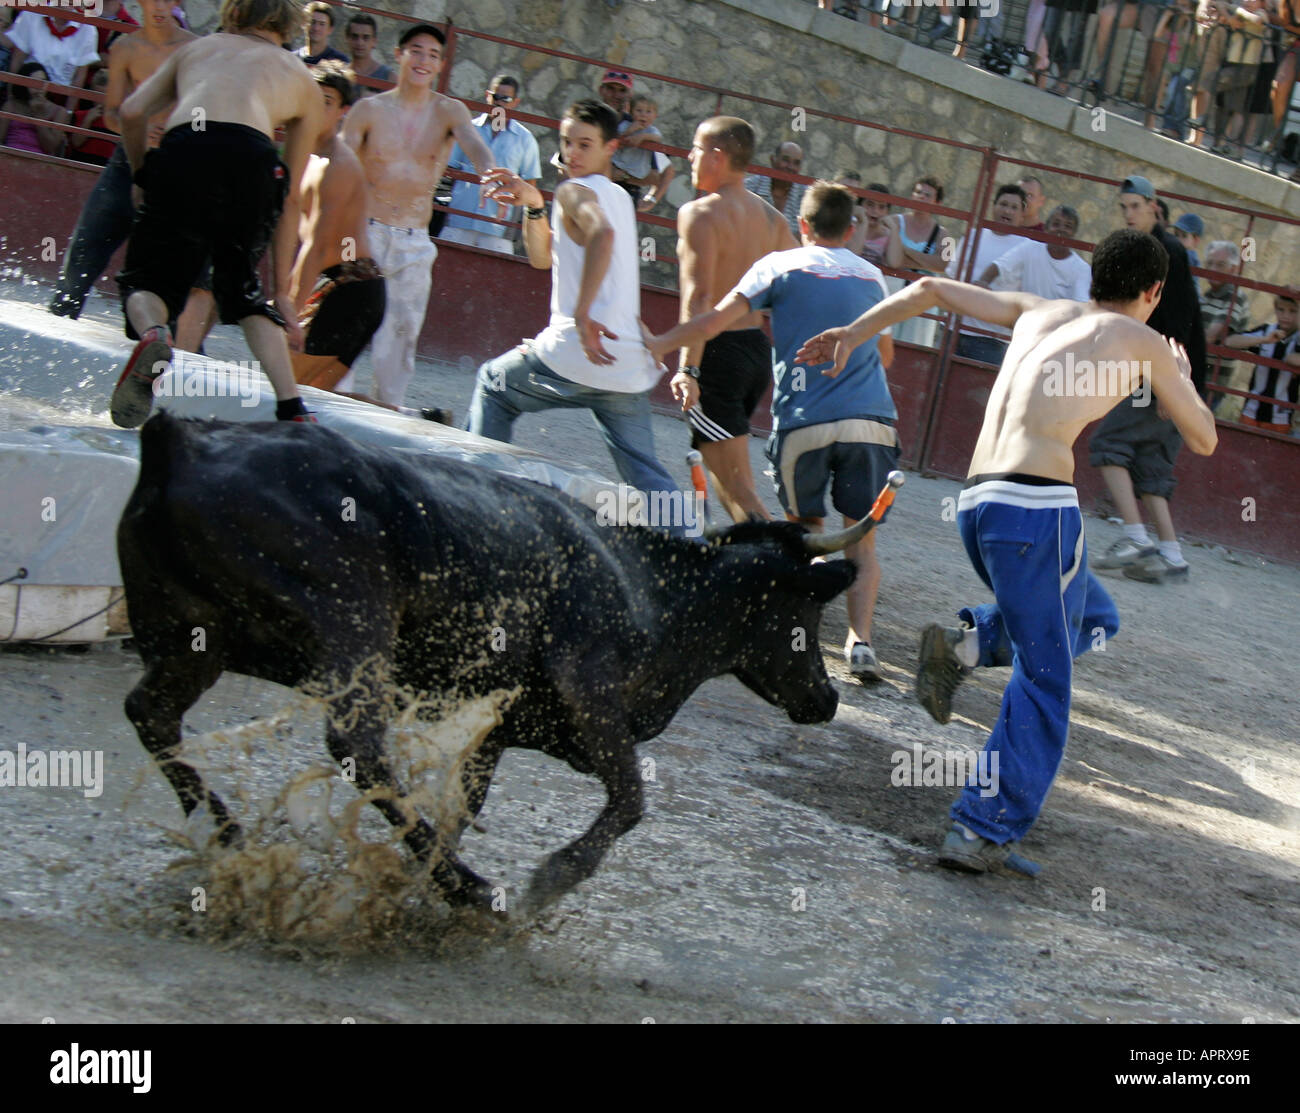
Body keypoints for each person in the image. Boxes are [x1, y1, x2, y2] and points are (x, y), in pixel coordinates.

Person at [794, 228, 1217, 874]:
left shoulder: (1039, 310)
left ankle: (964, 647)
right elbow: (1206, 438)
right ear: (1154, 291)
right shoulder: (1147, 340)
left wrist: (851, 334)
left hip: (977, 503)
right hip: (1035, 513)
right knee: (1046, 677)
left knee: (1096, 620)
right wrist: (1177, 373)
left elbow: (930, 287)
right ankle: (980, 826)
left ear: (1093, 275)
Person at [646, 181, 899, 682]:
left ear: (800, 226)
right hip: (870, 420)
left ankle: (797, 635)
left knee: (806, 534)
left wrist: (660, 343)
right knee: (862, 541)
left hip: (803, 422)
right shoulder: (873, 276)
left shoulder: (777, 266)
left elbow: (714, 319)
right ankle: (860, 642)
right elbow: (886, 355)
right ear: (853, 229)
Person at [108, 0, 324, 428]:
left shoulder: (199, 49)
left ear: (234, 13)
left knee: (144, 282)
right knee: (244, 295)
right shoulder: (303, 79)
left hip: (187, 145)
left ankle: (154, 334)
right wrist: (283, 289)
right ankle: (292, 408)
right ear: (287, 25)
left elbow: (131, 112)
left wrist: (140, 173)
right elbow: (291, 199)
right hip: (254, 160)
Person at [465, 99, 681, 523]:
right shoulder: (617, 195)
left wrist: (582, 315)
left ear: (611, 148)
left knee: (492, 383)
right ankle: (694, 549)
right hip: (623, 363)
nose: (573, 153)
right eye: (567, 142)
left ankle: (480, 506)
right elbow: (542, 258)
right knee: (648, 474)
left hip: (574, 350)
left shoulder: (571, 190)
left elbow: (599, 235)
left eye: (585, 144)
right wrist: (532, 204)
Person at [342, 23, 495, 406]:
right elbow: (339, 165)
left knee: (401, 338)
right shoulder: (368, 110)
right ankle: (326, 407)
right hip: (362, 231)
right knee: (342, 322)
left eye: (432, 55)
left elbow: (474, 144)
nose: (423, 60)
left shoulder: (449, 111)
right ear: (399, 54)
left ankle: (387, 417)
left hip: (413, 238)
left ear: (441, 65)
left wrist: (490, 175)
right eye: (416, 50)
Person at [667, 115, 797, 524]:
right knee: (723, 471)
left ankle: (794, 568)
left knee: (738, 485)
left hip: (717, 356)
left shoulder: (699, 214)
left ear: (717, 156)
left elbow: (699, 297)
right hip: (757, 350)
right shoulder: (773, 219)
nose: (689, 157)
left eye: (697, 148)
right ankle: (765, 558)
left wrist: (688, 367)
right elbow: (799, 280)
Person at [1089, 176, 1208, 584]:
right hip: (1172, 378)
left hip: (1162, 376)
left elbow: (1179, 321)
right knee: (1150, 464)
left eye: (1135, 206)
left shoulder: (1167, 251)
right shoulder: (1153, 250)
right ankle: (1172, 555)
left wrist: (1168, 383)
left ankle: (1136, 538)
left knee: (1107, 444)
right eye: (1124, 207)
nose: (1128, 214)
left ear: (1154, 206)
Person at [48, 0, 196, 322]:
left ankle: (176, 343)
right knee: (86, 244)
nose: (159, 7)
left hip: (176, 161)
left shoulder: (195, 49)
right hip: (129, 155)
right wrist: (140, 131)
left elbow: (206, 111)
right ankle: (61, 315)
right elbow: (112, 113)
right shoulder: (126, 48)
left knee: (170, 259)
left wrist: (175, 129)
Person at [437, 73, 540, 255]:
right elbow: (450, 171)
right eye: (496, 97)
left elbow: (530, 186)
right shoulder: (468, 129)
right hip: (460, 220)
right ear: (487, 95)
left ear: (515, 102)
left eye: (505, 99)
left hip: (497, 229)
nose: (499, 103)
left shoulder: (525, 140)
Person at [945, 183, 1031, 365]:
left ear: (1022, 215)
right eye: (1003, 204)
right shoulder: (973, 235)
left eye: (1014, 207)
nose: (1007, 210)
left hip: (992, 339)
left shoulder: (1026, 247)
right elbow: (952, 274)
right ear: (993, 206)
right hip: (954, 329)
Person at [975, 204, 1091, 302]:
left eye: (1068, 226)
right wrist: (983, 283)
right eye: (1056, 224)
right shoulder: (1030, 248)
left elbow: (1081, 305)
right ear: (1046, 228)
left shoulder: (1082, 270)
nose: (1061, 230)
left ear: (1074, 234)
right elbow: (999, 266)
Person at [1230, 289, 1299, 432]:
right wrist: (1264, 340)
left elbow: (1293, 359)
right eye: (1281, 310)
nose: (1286, 316)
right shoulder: (1267, 331)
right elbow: (1230, 341)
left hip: (1281, 417)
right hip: (1251, 410)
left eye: (1293, 311)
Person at [1199, 239, 1252, 417]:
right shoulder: (1207, 295)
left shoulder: (1235, 297)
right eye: (1210, 264)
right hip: (1194, 379)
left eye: (1220, 265)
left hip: (1209, 383)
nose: (1213, 269)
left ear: (1233, 269)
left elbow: (1210, 336)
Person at [5, 10, 99, 97]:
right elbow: (17, 61)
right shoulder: (31, 14)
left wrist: (68, 112)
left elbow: (79, 78)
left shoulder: (88, 28)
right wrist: (11, 96)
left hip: (60, 96)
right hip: (27, 91)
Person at [611, 93, 675, 212]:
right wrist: (630, 131)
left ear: (655, 115)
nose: (643, 115)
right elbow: (617, 139)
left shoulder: (652, 132)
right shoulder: (625, 125)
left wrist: (642, 137)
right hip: (615, 170)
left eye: (648, 112)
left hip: (633, 181)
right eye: (639, 110)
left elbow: (667, 171)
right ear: (631, 111)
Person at [0, 62, 68, 155]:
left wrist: (39, 116)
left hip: (39, 163)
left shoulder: (59, 111)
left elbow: (51, 148)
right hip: (10, 157)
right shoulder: (11, 105)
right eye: (34, 82)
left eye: (43, 82)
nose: (39, 87)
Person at [744, 141, 807, 238]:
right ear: (773, 160)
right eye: (785, 160)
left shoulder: (806, 197)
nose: (790, 167)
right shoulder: (749, 188)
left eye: (796, 163)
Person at [68, 65, 116, 165]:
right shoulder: (80, 115)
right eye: (95, 94)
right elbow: (76, 143)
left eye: (103, 95)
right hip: (80, 167)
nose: (99, 100)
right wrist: (87, 121)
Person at [343, 13, 391, 94]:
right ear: (347, 39)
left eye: (366, 37)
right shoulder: (341, 74)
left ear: (374, 41)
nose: (360, 43)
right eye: (355, 36)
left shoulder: (388, 76)